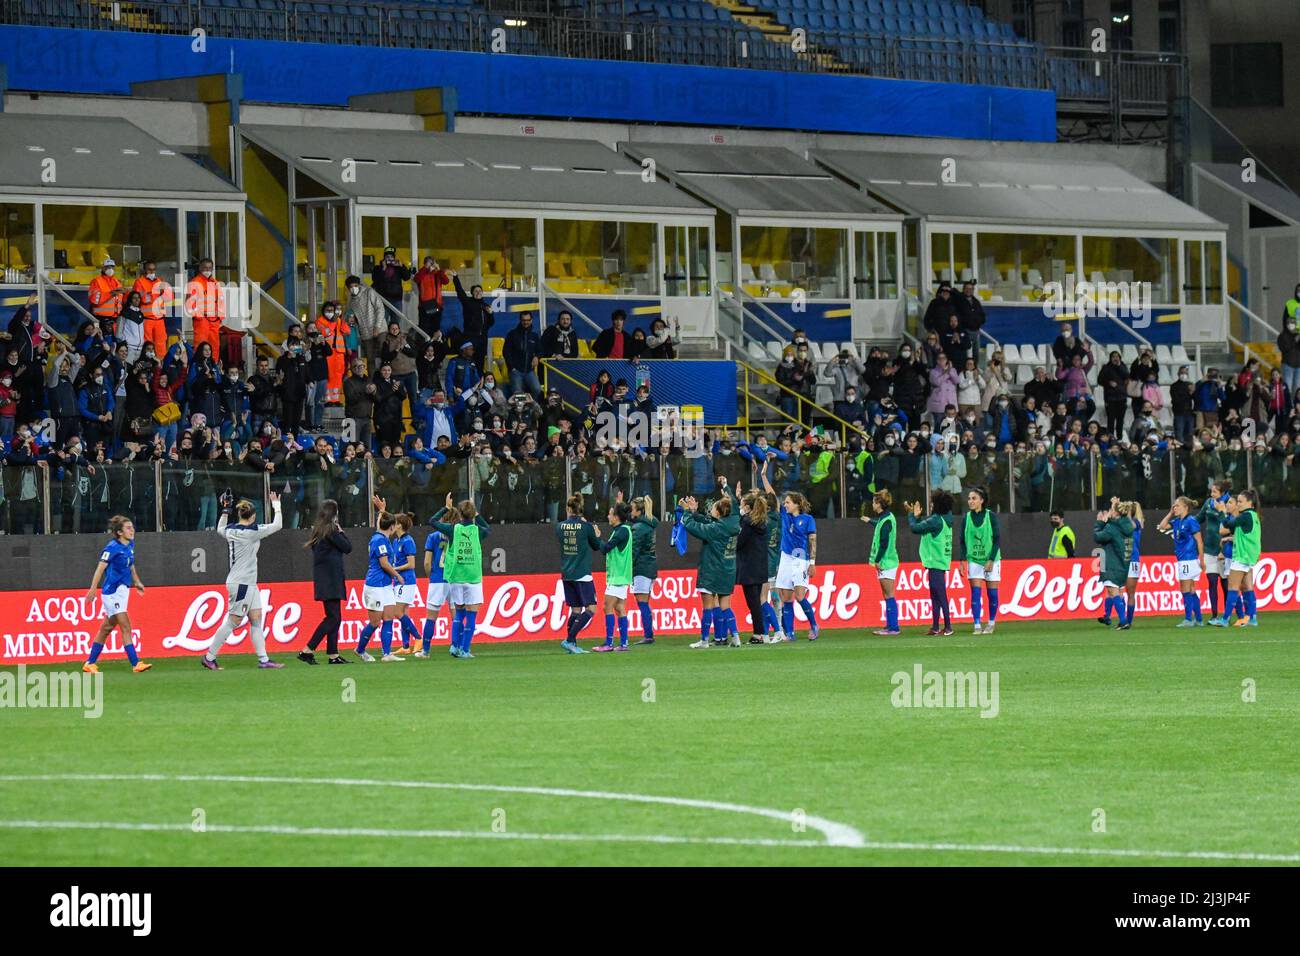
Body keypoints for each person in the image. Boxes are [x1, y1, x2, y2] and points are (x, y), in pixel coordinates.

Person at [201, 491, 285, 669]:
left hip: (246, 582)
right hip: (242, 583)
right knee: (234, 620)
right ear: (253, 516)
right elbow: (278, 525)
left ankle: (263, 660)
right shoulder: (253, 532)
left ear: (239, 514)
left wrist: (225, 510)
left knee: (255, 617)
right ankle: (209, 656)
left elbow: (219, 529)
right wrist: (276, 504)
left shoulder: (231, 530)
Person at [81, 515, 151, 673]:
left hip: (122, 592)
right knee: (126, 626)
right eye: (128, 528)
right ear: (119, 532)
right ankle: (136, 663)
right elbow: (100, 569)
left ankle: (90, 663)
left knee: (106, 628)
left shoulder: (130, 544)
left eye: (132, 527)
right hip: (111, 593)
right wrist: (92, 589)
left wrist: (137, 582)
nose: (132, 530)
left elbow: (130, 565)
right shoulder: (111, 548)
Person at [680, 479, 741, 648]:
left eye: (714, 507)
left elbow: (692, 526)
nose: (711, 509)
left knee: (707, 606)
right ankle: (735, 637)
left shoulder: (716, 529)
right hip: (728, 570)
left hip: (711, 569)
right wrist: (726, 486)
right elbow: (731, 506)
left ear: (719, 513)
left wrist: (686, 513)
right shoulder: (734, 521)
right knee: (725, 605)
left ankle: (705, 640)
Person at [430, 492, 492, 658]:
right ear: (472, 514)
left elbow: (432, 521)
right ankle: (465, 649)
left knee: (459, 612)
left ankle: (454, 646)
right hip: (472, 577)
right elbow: (489, 528)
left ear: (459, 514)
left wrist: (446, 508)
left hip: (456, 576)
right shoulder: (478, 531)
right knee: (472, 613)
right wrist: (477, 515)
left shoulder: (452, 529)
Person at [760, 467, 819, 641]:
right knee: (786, 598)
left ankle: (814, 625)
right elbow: (771, 495)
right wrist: (764, 476)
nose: (785, 505)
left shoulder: (808, 519)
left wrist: (812, 562)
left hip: (800, 559)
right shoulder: (785, 516)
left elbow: (812, 541)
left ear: (797, 504)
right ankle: (790, 633)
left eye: (788, 502)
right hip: (785, 558)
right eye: (784, 503)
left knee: (800, 596)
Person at [298, 499, 352, 664]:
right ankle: (307, 650)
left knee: (334, 616)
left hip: (326, 579)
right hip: (331, 579)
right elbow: (347, 548)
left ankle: (333, 654)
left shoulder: (319, 531)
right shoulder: (331, 532)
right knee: (333, 618)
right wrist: (341, 531)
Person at [356, 502, 404, 662]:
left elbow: (380, 524)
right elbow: (384, 563)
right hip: (375, 585)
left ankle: (387, 654)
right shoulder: (379, 540)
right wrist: (397, 575)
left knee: (389, 617)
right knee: (375, 622)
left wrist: (382, 511)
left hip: (385, 585)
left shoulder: (381, 535)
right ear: (390, 527)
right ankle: (360, 650)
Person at [555, 492, 601, 654]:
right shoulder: (586, 527)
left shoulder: (559, 526)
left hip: (567, 573)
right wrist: (596, 535)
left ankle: (572, 644)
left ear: (568, 509)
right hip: (582, 572)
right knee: (591, 608)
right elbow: (596, 546)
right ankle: (569, 639)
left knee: (575, 610)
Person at [1213, 488, 1261, 628]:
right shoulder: (1253, 516)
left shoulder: (1246, 516)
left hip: (1241, 556)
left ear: (1249, 502)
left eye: (1240, 501)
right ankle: (1251, 618)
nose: (1238, 504)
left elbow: (1227, 524)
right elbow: (1247, 535)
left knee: (1233, 587)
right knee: (1247, 588)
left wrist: (1222, 511)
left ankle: (1225, 619)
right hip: (1249, 556)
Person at [906, 491, 953, 635]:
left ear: (937, 505)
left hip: (935, 562)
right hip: (940, 561)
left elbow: (915, 528)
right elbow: (926, 526)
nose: (931, 505)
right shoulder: (946, 518)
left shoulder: (936, 520)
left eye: (933, 502)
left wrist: (911, 516)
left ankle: (948, 627)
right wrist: (917, 517)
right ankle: (935, 626)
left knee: (940, 594)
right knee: (935, 595)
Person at [593, 500, 634, 651]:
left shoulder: (621, 531)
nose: (608, 516)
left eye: (610, 514)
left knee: (607, 607)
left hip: (617, 576)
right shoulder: (624, 530)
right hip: (622, 575)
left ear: (616, 517)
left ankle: (608, 644)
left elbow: (605, 549)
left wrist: (597, 537)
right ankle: (623, 644)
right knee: (619, 607)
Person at [1160, 496, 1205, 628]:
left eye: (1177, 505)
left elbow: (1199, 541)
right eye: (1174, 506)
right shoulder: (1177, 521)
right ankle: (1199, 619)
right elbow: (1162, 526)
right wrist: (1170, 513)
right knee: (1191, 589)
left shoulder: (1191, 521)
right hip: (1183, 559)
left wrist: (1201, 559)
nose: (1175, 508)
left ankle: (1188, 619)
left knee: (1185, 589)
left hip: (1188, 559)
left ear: (1186, 507)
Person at [735, 488, 771, 645]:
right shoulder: (760, 522)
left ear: (748, 507)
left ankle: (759, 633)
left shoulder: (747, 523)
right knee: (756, 601)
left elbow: (739, 542)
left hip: (749, 567)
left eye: (742, 505)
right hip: (760, 565)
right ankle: (762, 632)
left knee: (753, 602)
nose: (740, 508)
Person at [963, 486, 1001, 635]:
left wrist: (991, 560)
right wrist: (961, 560)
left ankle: (991, 623)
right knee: (975, 593)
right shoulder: (967, 517)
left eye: (974, 498)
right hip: (974, 560)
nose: (970, 501)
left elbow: (997, 539)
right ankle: (977, 624)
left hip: (991, 559)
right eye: (969, 498)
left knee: (992, 594)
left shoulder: (990, 516)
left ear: (982, 500)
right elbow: (961, 540)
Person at [864, 490, 900, 636]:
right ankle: (890, 625)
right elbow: (880, 527)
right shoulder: (885, 518)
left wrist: (877, 560)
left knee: (889, 594)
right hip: (888, 561)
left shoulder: (886, 520)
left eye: (874, 502)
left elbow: (884, 543)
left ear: (879, 504)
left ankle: (894, 627)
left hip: (887, 562)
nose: (872, 504)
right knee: (887, 594)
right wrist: (869, 521)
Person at [1094, 499, 1135, 629]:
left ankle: (1123, 621)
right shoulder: (1127, 526)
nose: (1110, 513)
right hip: (1123, 565)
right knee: (1116, 591)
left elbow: (1098, 537)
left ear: (1116, 514)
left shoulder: (1112, 528)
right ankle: (1119, 619)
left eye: (1112, 510)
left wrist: (1099, 523)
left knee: (1113, 591)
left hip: (1112, 564)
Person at [1199, 480, 1231, 624]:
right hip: (1209, 548)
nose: (1212, 494)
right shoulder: (1208, 503)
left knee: (1225, 584)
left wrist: (1221, 511)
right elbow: (1199, 518)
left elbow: (1229, 524)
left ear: (1222, 493)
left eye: (1215, 492)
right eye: (1211, 491)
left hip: (1223, 550)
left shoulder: (1228, 504)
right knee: (1212, 582)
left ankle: (1226, 615)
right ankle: (1214, 615)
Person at [390, 513, 423, 654]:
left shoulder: (408, 541)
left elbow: (411, 564)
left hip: (407, 581)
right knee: (404, 613)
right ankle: (405, 646)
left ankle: (418, 638)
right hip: (398, 580)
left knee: (397, 612)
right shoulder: (396, 541)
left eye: (394, 522)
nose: (392, 525)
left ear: (399, 525)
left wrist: (393, 569)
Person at [450, 271, 494, 373]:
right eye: (476, 291)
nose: (478, 292)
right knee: (469, 364)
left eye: (480, 291)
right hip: (470, 339)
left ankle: (478, 386)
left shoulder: (486, 306)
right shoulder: (468, 303)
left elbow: (491, 323)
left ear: (482, 293)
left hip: (482, 339)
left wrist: (491, 314)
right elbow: (460, 292)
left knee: (480, 364)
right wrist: (456, 278)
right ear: (472, 293)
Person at [629, 494, 659, 645]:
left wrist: (628, 569)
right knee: (645, 602)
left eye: (632, 509)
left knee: (642, 603)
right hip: (650, 567)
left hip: (641, 568)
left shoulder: (639, 528)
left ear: (638, 511)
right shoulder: (649, 524)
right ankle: (649, 634)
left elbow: (634, 550)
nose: (631, 512)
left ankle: (648, 635)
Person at [418, 519, 449, 658]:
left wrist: (431, 576)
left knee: (431, 617)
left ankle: (425, 651)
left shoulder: (433, 537)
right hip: (453, 579)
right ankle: (458, 648)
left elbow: (426, 563)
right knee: (457, 617)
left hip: (437, 579)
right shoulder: (455, 535)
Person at [133, 260, 172, 360]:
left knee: (161, 343)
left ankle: (161, 363)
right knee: (147, 343)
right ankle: (147, 363)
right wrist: (156, 294)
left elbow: (168, 297)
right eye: (149, 270)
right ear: (145, 270)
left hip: (159, 319)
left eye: (154, 270)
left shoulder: (160, 281)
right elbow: (142, 299)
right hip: (147, 319)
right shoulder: (139, 282)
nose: (152, 272)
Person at [314, 301, 350, 405]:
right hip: (328, 352)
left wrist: (342, 319)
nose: (330, 312)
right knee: (328, 375)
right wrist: (334, 322)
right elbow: (326, 332)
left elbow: (347, 331)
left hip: (339, 352)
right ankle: (328, 399)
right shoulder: (319, 321)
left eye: (332, 310)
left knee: (338, 376)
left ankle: (335, 399)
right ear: (323, 311)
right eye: (328, 310)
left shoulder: (339, 320)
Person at [502, 310, 542, 399]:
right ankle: (519, 411)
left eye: (528, 320)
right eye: (524, 320)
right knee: (518, 393)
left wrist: (537, 357)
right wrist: (512, 368)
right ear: (520, 320)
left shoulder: (534, 336)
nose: (526, 322)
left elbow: (540, 350)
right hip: (516, 371)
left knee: (537, 389)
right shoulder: (512, 334)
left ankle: (530, 407)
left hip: (529, 371)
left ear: (531, 320)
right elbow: (505, 352)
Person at [1121, 500, 1144, 629]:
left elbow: (1132, 526)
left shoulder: (1136, 523)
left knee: (1130, 592)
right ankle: (1122, 619)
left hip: (1133, 561)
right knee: (1118, 590)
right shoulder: (1123, 524)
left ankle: (1128, 621)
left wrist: (1128, 514)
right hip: (1122, 560)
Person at [414, 256, 449, 339]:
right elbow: (417, 279)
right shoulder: (421, 273)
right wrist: (425, 268)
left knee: (435, 330)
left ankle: (434, 349)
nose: (431, 265)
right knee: (424, 330)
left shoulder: (438, 273)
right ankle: (424, 349)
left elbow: (446, 281)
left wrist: (439, 270)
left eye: (432, 263)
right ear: (425, 264)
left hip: (437, 306)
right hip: (424, 307)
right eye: (429, 263)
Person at [371, 246, 411, 312]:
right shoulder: (378, 268)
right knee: (383, 320)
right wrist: (383, 269)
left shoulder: (398, 268)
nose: (389, 259)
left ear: (394, 258)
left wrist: (402, 267)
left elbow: (407, 277)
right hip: (383, 299)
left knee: (396, 320)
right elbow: (375, 280)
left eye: (391, 257)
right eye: (387, 257)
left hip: (397, 299)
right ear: (384, 258)